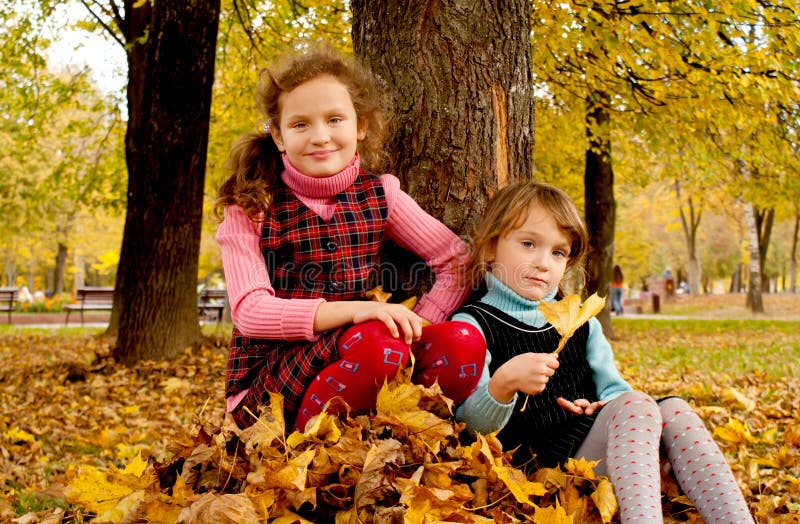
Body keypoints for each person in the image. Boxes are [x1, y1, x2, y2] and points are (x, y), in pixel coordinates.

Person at [214, 45, 485, 432]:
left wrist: (421, 322)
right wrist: (356, 311)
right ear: (278, 135)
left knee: (463, 342)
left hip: (368, 355)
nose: (320, 136)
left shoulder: (380, 194)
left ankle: (400, 437)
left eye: (334, 119)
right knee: (377, 343)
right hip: (273, 381)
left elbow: (458, 261)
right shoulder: (251, 206)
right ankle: (307, 450)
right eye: (300, 125)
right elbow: (251, 311)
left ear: (360, 126)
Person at [453, 181, 753, 523]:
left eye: (558, 253)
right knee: (638, 405)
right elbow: (469, 428)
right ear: (491, 247)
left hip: (591, 451)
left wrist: (600, 406)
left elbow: (617, 393)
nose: (543, 263)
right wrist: (503, 384)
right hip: (533, 471)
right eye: (528, 244)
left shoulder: (581, 324)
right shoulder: (474, 325)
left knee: (674, 409)